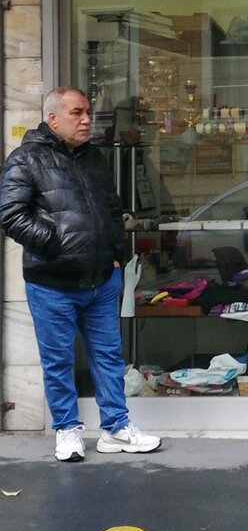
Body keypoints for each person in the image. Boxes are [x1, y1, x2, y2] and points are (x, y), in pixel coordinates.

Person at [0, 87, 161, 462]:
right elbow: (10, 214)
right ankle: (67, 430)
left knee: (108, 357)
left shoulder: (93, 158)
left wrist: (116, 254)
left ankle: (116, 428)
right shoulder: (26, 158)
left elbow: (112, 208)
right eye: (77, 113)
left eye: (88, 112)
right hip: (52, 283)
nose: (87, 119)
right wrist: (57, 245)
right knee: (58, 362)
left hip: (101, 281)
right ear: (53, 118)